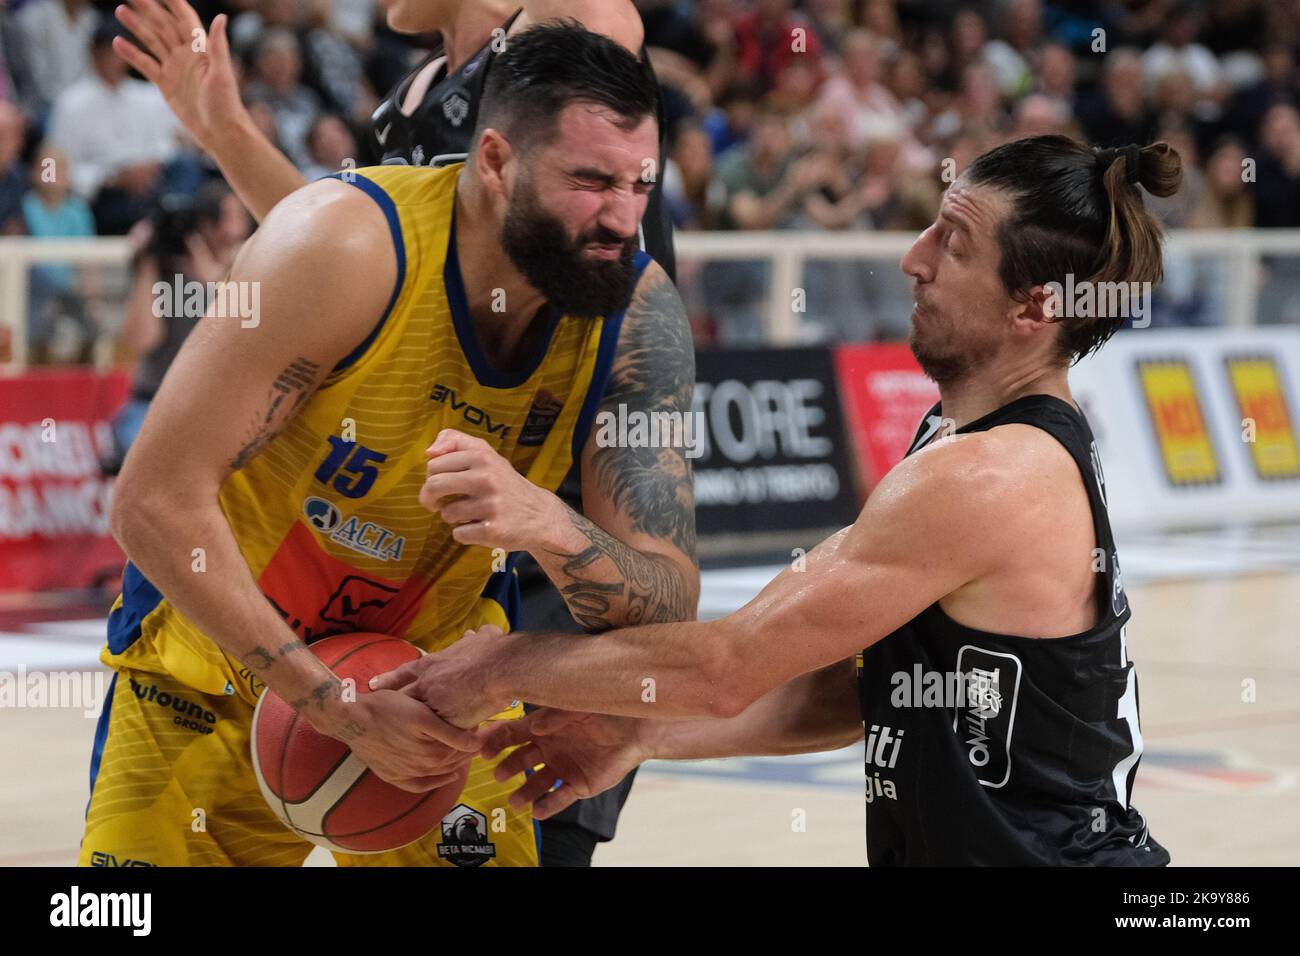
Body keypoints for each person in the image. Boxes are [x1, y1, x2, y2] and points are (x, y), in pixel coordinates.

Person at [378, 135, 1181, 867]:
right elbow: (859, 694)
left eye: (953, 242)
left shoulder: (991, 477)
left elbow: (727, 665)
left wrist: (502, 664)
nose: (913, 257)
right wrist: (645, 731)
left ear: (1035, 306)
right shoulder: (974, 440)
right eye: (931, 226)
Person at [83, 23, 697, 868]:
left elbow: (668, 607)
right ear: (494, 161)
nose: (623, 219)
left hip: (441, 699)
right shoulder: (341, 242)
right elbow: (149, 501)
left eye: (641, 184)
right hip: (212, 671)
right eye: (590, 181)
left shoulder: (638, 316)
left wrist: (549, 525)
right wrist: (328, 703)